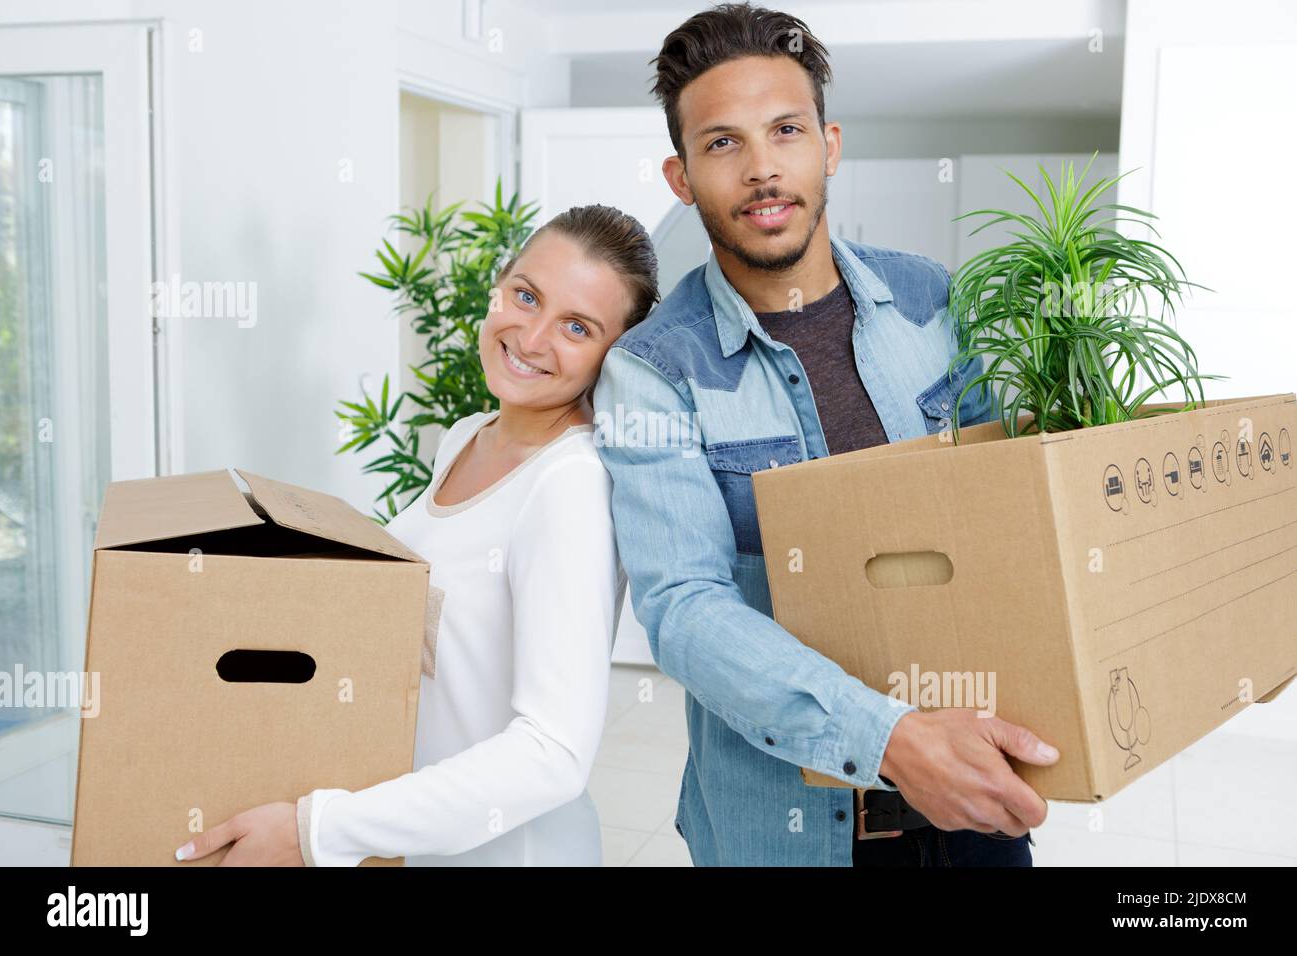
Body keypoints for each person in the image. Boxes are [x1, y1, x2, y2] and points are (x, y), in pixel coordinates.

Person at [591, 2, 1058, 867]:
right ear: (681, 176)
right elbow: (685, 609)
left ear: (829, 144)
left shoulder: (932, 300)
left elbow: (1008, 513)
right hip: (787, 834)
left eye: (785, 130)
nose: (763, 169)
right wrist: (888, 738)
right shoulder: (654, 370)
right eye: (723, 143)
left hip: (975, 809)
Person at [176, 204, 659, 866]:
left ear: (613, 355)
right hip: (428, 840)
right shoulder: (469, 436)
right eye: (525, 295)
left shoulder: (568, 486)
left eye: (577, 326)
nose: (533, 335)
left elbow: (553, 754)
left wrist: (318, 832)